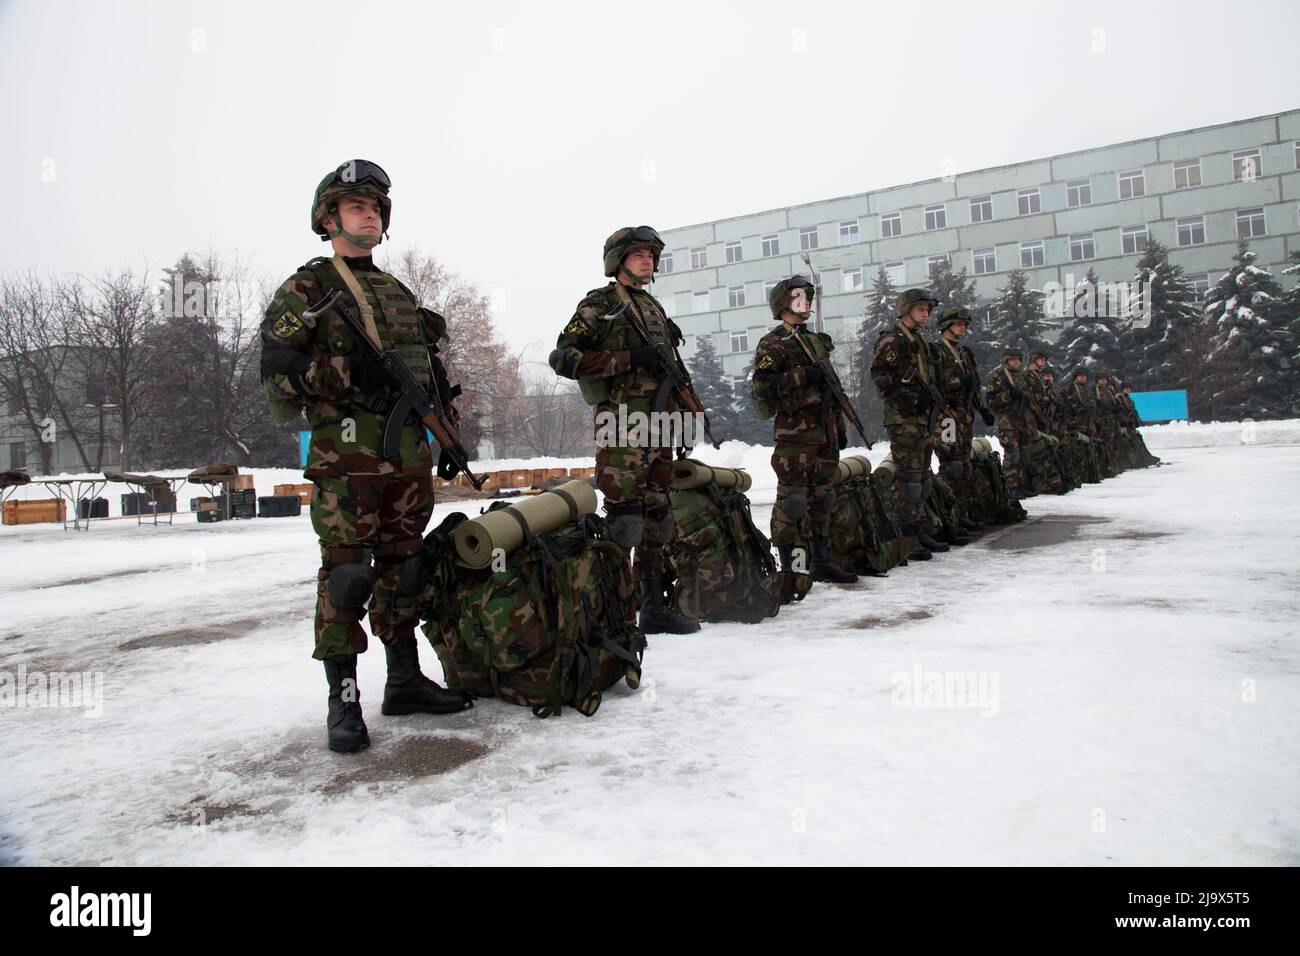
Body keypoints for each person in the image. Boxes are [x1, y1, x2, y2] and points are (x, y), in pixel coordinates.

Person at [260, 159, 473, 754]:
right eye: (357, 206)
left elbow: (429, 373)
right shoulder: (308, 288)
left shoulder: (395, 291)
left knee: (405, 571)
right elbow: (276, 373)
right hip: (347, 461)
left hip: (407, 459)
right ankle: (344, 702)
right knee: (349, 577)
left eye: (377, 207)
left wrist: (447, 435)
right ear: (329, 218)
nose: (371, 214)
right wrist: (348, 370)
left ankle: (403, 680)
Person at [549, 226, 700, 634]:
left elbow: (673, 372)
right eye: (638, 254)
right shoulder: (599, 305)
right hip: (621, 429)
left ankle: (653, 607)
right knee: (625, 523)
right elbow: (565, 358)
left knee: (658, 519)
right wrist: (629, 358)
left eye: (651, 254)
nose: (648, 260)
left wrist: (686, 417)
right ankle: (616, 615)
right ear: (618, 260)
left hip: (659, 427)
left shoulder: (652, 308)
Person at [751, 275, 858, 585]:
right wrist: (801, 375)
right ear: (784, 301)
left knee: (823, 497)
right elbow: (761, 388)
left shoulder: (814, 341)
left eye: (809, 296)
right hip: (795, 435)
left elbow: (831, 391)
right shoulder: (774, 343)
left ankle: (820, 560)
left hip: (823, 432)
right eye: (800, 296)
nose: (807, 301)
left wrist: (837, 426)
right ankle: (789, 567)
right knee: (793, 499)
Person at [870, 289, 949, 556]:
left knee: (923, 478)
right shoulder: (892, 341)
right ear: (905, 311)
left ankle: (918, 529)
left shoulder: (920, 342)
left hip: (922, 418)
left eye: (928, 310)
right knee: (908, 480)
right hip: (904, 419)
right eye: (920, 309)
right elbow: (882, 379)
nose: (925, 314)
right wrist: (910, 400)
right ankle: (906, 535)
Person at [929, 306, 993, 532]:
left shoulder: (965, 354)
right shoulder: (936, 352)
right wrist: (956, 384)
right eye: (959, 324)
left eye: (964, 325)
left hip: (964, 415)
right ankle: (948, 515)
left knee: (965, 465)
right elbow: (933, 385)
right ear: (946, 326)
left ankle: (961, 513)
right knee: (951, 464)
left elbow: (974, 385)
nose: (963, 328)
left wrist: (982, 408)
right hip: (946, 414)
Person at [985, 347, 1037, 498]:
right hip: (1008, 421)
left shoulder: (1023, 376)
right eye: (1012, 359)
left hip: (1024, 420)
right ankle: (1010, 486)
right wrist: (1008, 396)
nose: (1016, 362)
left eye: (1018, 359)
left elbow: (1031, 397)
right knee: (1012, 454)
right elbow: (990, 400)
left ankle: (1019, 484)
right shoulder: (998, 376)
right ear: (1006, 360)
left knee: (1022, 453)